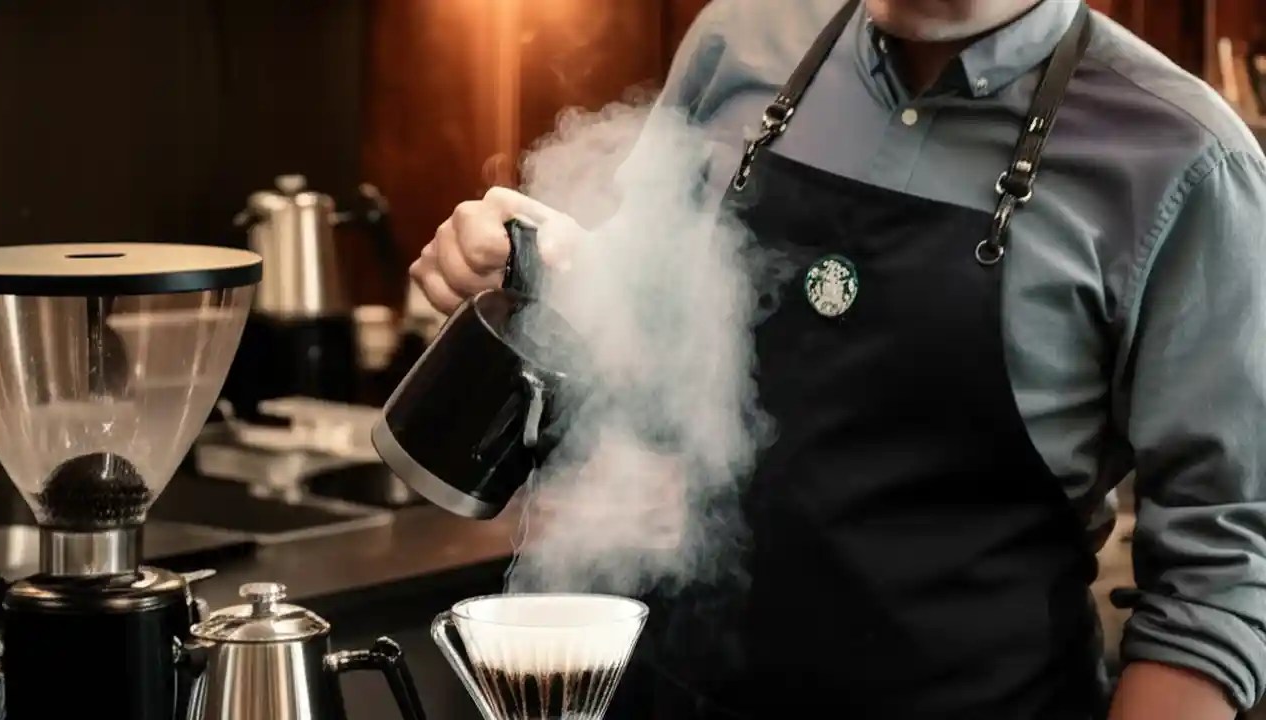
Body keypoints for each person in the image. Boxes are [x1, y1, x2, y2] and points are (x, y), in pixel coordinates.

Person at [409, 0, 1266, 718]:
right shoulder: (743, 39)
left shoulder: (1187, 163)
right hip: (677, 694)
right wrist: (552, 263)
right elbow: (644, 332)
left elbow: (1218, 580)